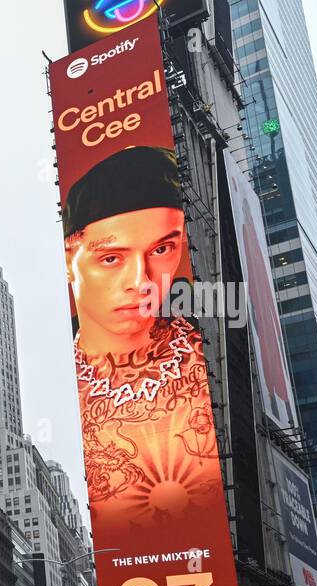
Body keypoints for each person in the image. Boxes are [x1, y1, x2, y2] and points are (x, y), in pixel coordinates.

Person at [63, 146, 225, 532]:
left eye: (162, 248)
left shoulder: (208, 356)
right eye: (112, 258)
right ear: (71, 259)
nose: (141, 281)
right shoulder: (79, 386)